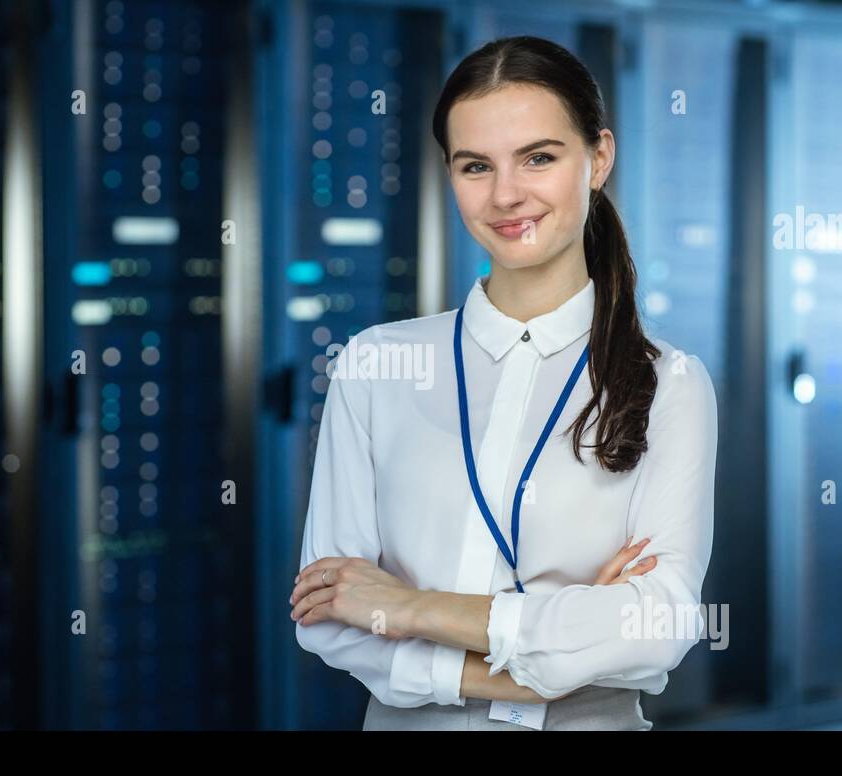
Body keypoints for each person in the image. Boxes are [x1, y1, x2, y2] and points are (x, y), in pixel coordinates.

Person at [289, 35, 718, 730]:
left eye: (539, 158)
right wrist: (547, 658)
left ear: (598, 158)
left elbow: (659, 624)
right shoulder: (375, 364)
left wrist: (412, 606)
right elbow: (328, 615)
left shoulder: (669, 382)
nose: (506, 194)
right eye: (475, 166)